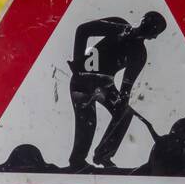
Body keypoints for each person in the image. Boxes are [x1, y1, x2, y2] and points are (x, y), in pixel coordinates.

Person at [67, 11, 166, 169]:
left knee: (124, 113)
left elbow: (126, 88)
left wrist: (123, 101)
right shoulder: (118, 25)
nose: (151, 33)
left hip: (103, 85)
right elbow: (82, 30)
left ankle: (102, 155)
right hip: (83, 80)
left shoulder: (139, 54)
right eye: (152, 28)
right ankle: (78, 161)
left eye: (154, 31)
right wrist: (78, 62)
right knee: (88, 121)